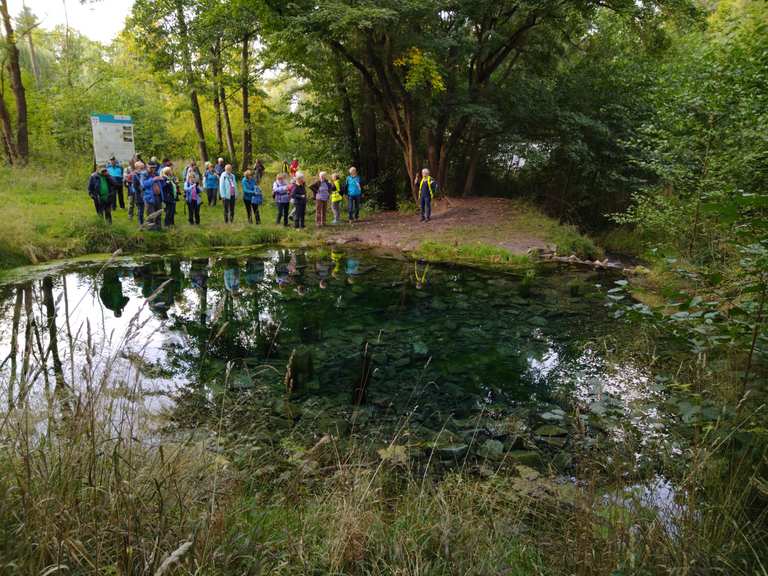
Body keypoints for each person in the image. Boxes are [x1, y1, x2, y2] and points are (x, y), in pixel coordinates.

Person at [142, 163, 164, 230]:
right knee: (150, 214)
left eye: (154, 167)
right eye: (151, 167)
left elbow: (161, 185)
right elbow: (144, 184)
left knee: (158, 213)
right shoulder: (144, 174)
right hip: (149, 197)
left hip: (158, 196)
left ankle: (158, 227)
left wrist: (162, 180)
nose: (153, 169)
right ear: (147, 167)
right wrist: (153, 179)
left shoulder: (156, 173)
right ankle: (150, 229)